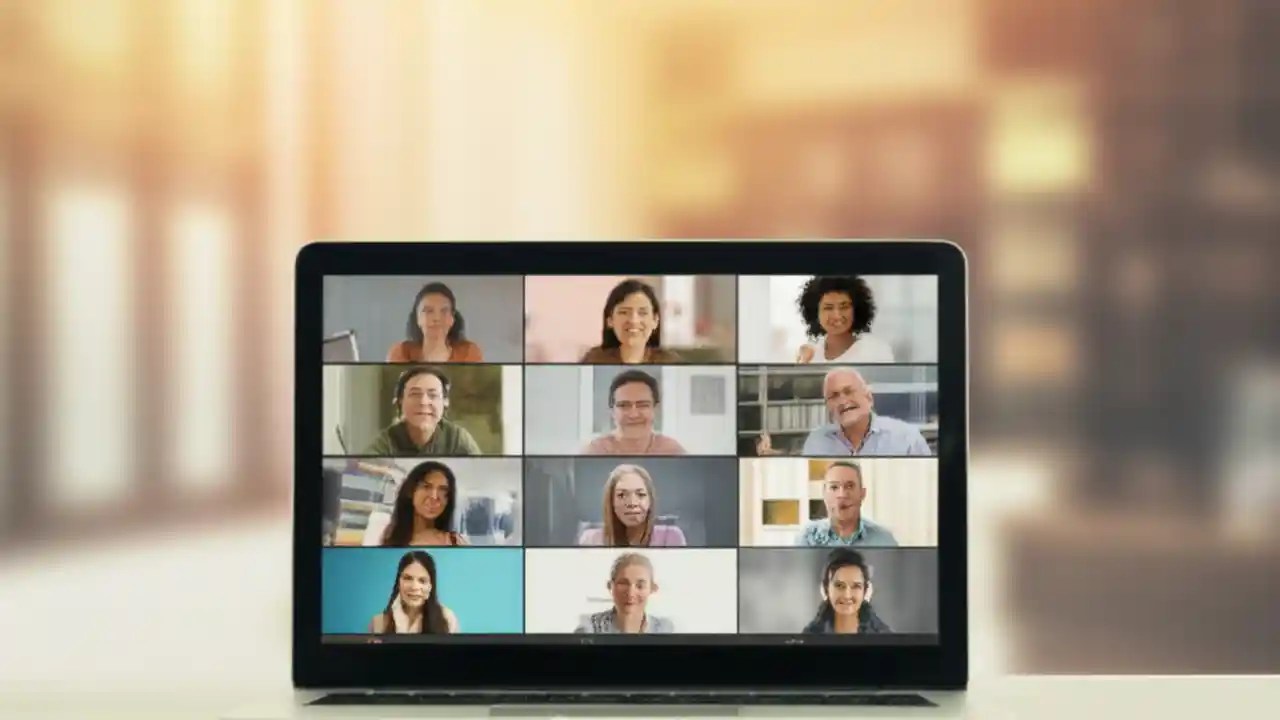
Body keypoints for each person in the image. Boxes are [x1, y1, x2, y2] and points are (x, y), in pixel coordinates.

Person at [800, 368, 931, 456]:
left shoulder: (907, 438)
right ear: (828, 407)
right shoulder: (816, 441)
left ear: (869, 397)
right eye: (834, 396)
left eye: (849, 391)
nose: (843, 401)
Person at [363, 367, 483, 455]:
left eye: (433, 395)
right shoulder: (386, 442)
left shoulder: (457, 439)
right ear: (400, 401)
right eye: (415, 394)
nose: (423, 402)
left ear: (445, 402)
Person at [577, 464, 687, 547]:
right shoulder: (590, 539)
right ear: (611, 501)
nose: (632, 503)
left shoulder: (671, 536)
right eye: (622, 495)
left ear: (650, 500)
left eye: (641, 495)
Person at [581, 370, 687, 455]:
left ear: (655, 409)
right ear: (612, 411)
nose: (633, 414)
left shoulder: (673, 451)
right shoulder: (595, 451)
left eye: (643, 405)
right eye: (624, 405)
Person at [794, 276, 894, 364]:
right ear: (815, 313)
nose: (837, 316)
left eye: (844, 307)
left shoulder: (875, 351)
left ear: (857, 310)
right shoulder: (810, 354)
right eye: (828, 308)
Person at [796, 462, 898, 547]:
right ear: (824, 494)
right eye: (834, 487)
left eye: (850, 486)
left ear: (862, 493)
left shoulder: (884, 539)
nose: (842, 495)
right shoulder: (807, 537)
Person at [580, 279, 682, 364]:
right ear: (610, 320)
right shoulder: (594, 359)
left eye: (642, 313)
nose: (634, 320)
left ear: (655, 320)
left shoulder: (671, 362)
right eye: (624, 312)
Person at [574, 552, 674, 634]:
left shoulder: (664, 629)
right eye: (623, 583)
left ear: (653, 588)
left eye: (640, 586)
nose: (630, 593)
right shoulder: (590, 628)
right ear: (610, 586)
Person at [386, 282, 484, 362]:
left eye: (444, 311)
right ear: (417, 318)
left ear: (452, 319)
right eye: (428, 311)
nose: (436, 318)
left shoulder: (470, 353)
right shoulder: (400, 353)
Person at [802, 548, 892, 634]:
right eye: (839, 586)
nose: (847, 595)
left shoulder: (884, 636)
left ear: (865, 590)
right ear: (826, 588)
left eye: (856, 586)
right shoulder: (809, 636)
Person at [381, 461, 470, 546]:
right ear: (410, 491)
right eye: (426, 487)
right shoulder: (390, 537)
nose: (434, 497)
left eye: (443, 490)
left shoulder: (454, 542)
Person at [368, 551, 459, 634]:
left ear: (430, 586)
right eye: (408, 578)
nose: (414, 587)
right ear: (398, 583)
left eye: (422, 581)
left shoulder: (447, 619)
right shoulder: (378, 623)